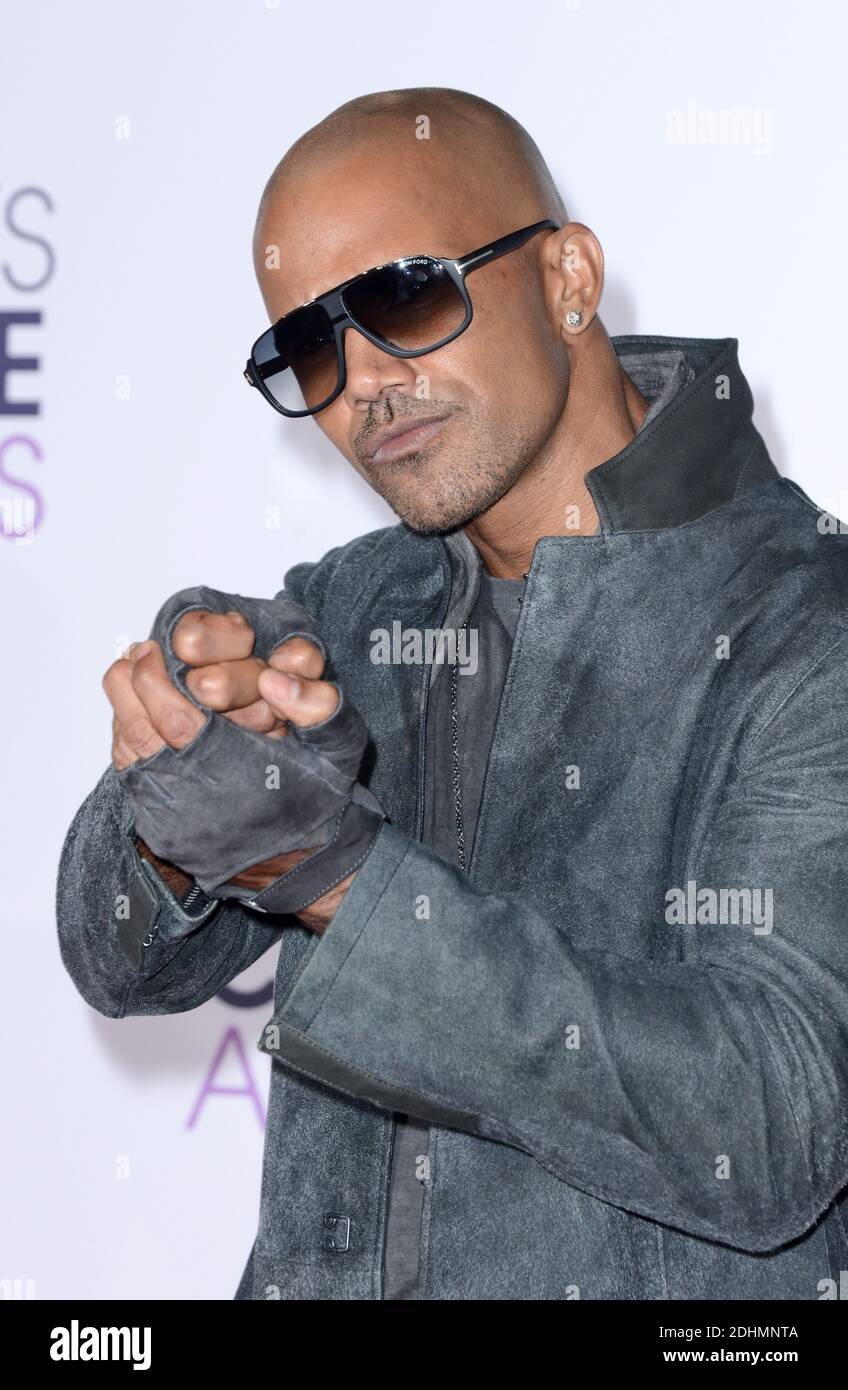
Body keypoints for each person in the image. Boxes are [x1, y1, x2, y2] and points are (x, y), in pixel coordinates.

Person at [57, 87, 848, 1300]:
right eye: (310, 346)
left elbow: (771, 1118)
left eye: (405, 294)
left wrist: (334, 877)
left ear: (568, 278)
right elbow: (119, 966)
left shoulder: (809, 624)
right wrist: (174, 791)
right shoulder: (346, 608)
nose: (363, 378)